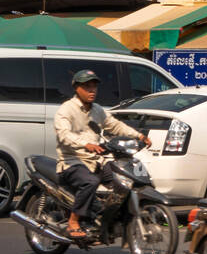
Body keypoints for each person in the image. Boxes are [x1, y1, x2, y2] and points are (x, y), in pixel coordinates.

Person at [54, 68, 150, 240]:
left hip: (96, 159)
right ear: (76, 88)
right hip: (72, 161)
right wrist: (85, 144)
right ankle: (73, 221)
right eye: (87, 87)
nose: (92, 91)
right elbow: (64, 134)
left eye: (94, 87)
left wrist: (139, 136)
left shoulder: (97, 110)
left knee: (123, 180)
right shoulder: (66, 109)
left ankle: (105, 217)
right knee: (90, 182)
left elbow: (115, 125)